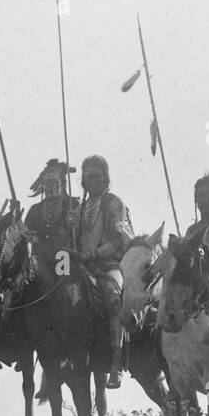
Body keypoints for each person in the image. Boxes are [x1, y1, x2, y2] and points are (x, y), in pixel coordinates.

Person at [74, 155, 132, 388]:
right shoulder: (79, 209)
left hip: (110, 265)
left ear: (105, 177)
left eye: (96, 176)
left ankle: (117, 360)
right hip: (82, 266)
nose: (92, 181)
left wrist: (90, 255)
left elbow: (118, 241)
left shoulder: (114, 203)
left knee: (112, 299)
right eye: (87, 177)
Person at [23, 158, 77, 250]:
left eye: (53, 182)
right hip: (39, 261)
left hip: (68, 260)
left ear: (62, 184)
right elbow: (24, 235)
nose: (49, 186)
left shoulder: (73, 205)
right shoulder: (35, 210)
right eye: (46, 183)